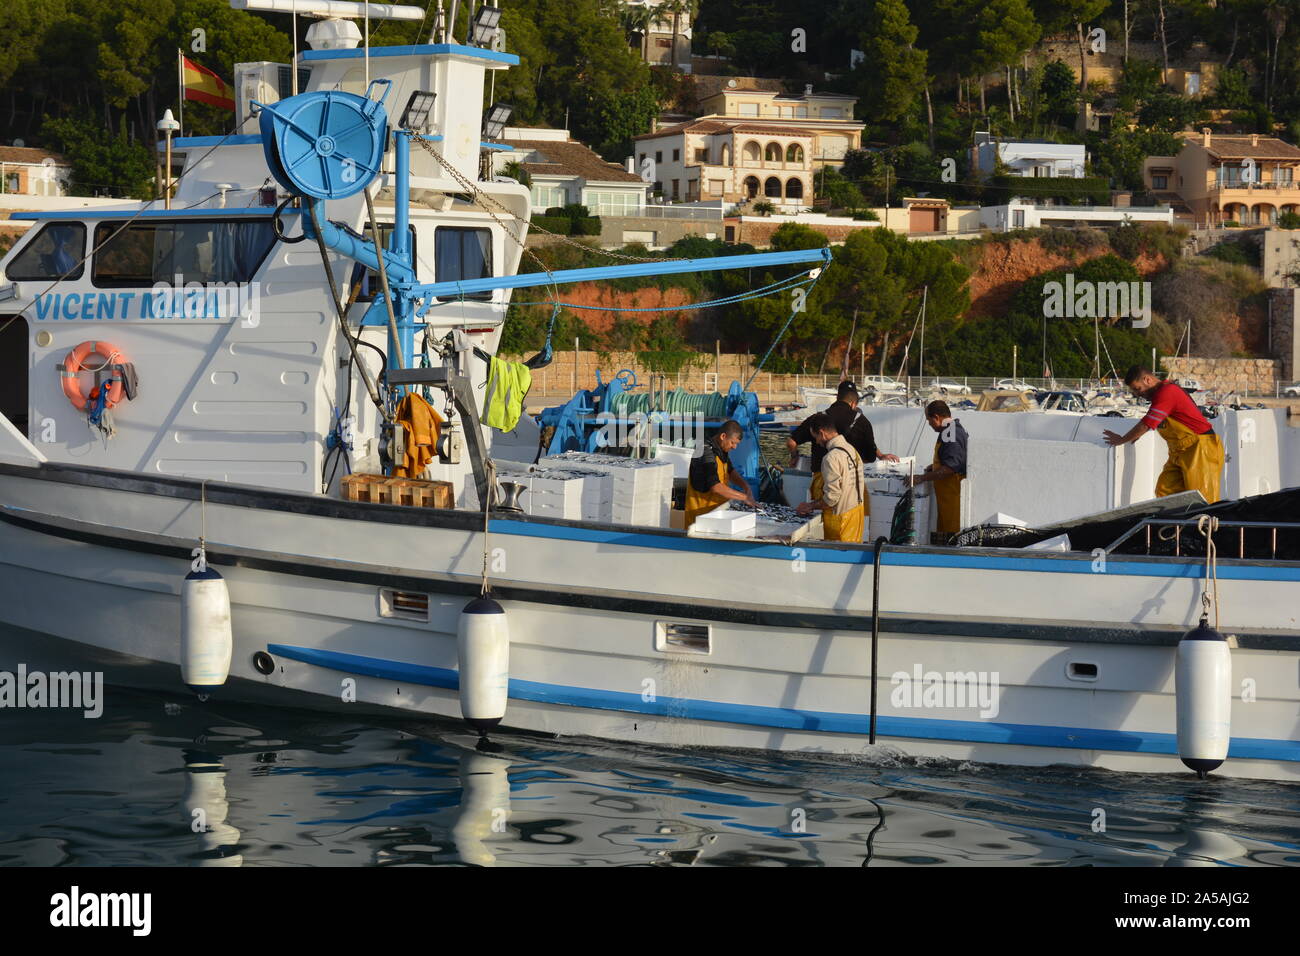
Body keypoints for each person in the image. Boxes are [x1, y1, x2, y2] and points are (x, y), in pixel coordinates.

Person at [1103, 365, 1225, 503]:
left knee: (1202, 497)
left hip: (1201, 448)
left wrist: (1122, 440)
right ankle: (1177, 523)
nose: (1137, 394)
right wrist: (1137, 435)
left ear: (1147, 379)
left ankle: (1204, 524)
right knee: (1165, 490)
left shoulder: (1168, 392)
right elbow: (1150, 422)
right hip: (1181, 450)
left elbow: (1146, 423)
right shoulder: (1162, 394)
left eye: (1138, 389)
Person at [787, 381, 899, 504]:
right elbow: (870, 457)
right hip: (852, 482)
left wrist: (794, 457)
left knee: (821, 519)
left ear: (837, 398)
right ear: (854, 403)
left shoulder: (817, 419)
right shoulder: (863, 422)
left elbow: (791, 442)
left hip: (823, 481)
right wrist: (880, 455)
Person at [795, 413, 865, 542]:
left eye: (815, 437)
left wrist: (810, 506)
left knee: (839, 559)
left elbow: (832, 499)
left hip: (840, 520)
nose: (816, 441)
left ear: (822, 433)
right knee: (852, 555)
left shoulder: (831, 458)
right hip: (856, 514)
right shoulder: (852, 450)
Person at [908, 400, 968, 538]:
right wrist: (934, 467)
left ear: (936, 417)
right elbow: (950, 459)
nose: (930, 425)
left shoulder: (951, 433)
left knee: (952, 537)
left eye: (930, 421)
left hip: (953, 496)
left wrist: (921, 478)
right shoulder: (950, 430)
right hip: (947, 498)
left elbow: (950, 468)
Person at [684, 419, 757, 528]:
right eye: (733, 443)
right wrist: (744, 497)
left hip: (718, 513)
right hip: (700, 517)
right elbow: (715, 487)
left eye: (736, 444)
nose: (734, 447)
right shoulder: (704, 451)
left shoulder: (721, 449)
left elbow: (730, 471)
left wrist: (745, 486)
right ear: (723, 436)